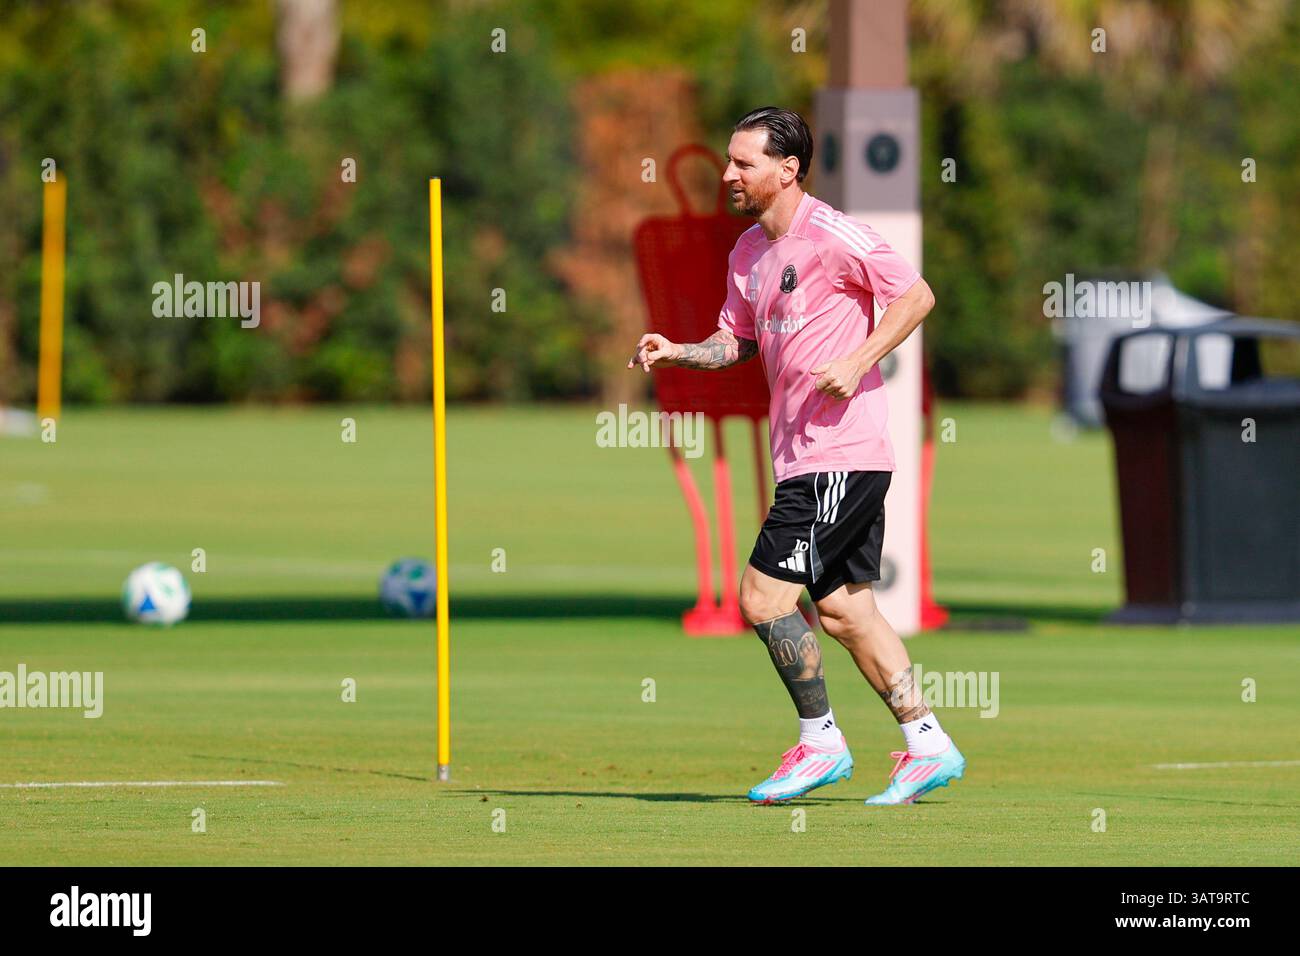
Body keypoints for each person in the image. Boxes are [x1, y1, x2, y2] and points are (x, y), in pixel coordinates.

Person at [627, 107, 965, 806]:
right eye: (729, 160)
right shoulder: (748, 252)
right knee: (843, 613)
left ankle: (821, 742)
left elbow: (917, 294)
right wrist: (678, 350)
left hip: (839, 455)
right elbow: (737, 341)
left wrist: (860, 357)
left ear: (788, 171)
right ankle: (929, 743)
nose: (729, 175)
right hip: (806, 458)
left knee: (760, 597)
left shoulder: (835, 235)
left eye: (744, 163)